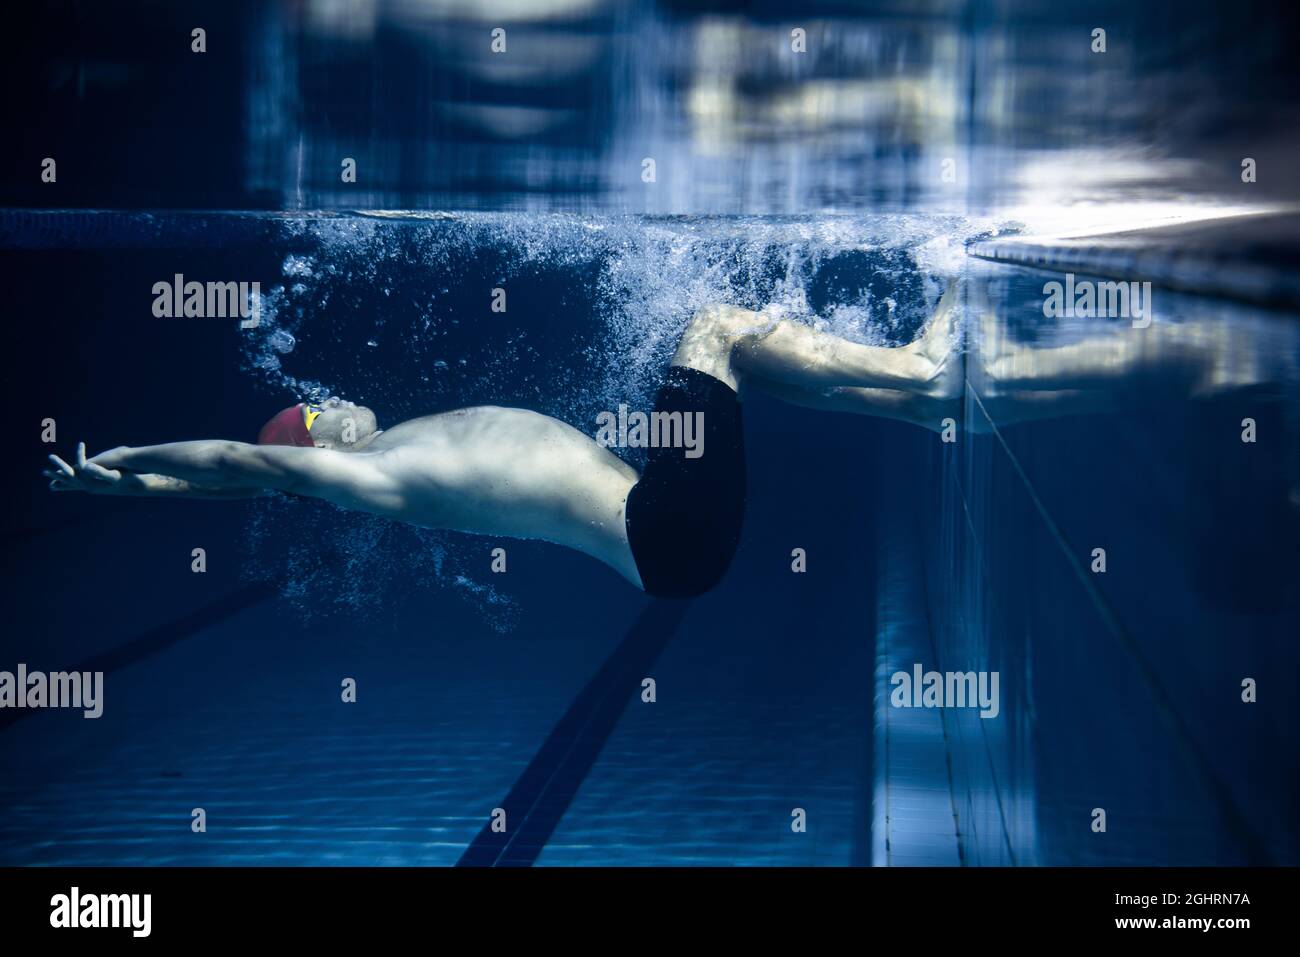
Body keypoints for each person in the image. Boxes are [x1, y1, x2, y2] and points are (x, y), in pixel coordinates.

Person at [42, 286, 967, 598]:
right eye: (320, 407)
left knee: (744, 365)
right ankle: (920, 367)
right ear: (314, 444)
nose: (334, 398)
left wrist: (129, 492)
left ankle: (911, 405)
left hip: (664, 525)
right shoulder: (373, 474)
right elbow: (244, 464)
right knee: (717, 324)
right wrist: (129, 455)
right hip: (664, 530)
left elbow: (237, 485)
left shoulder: (381, 460)